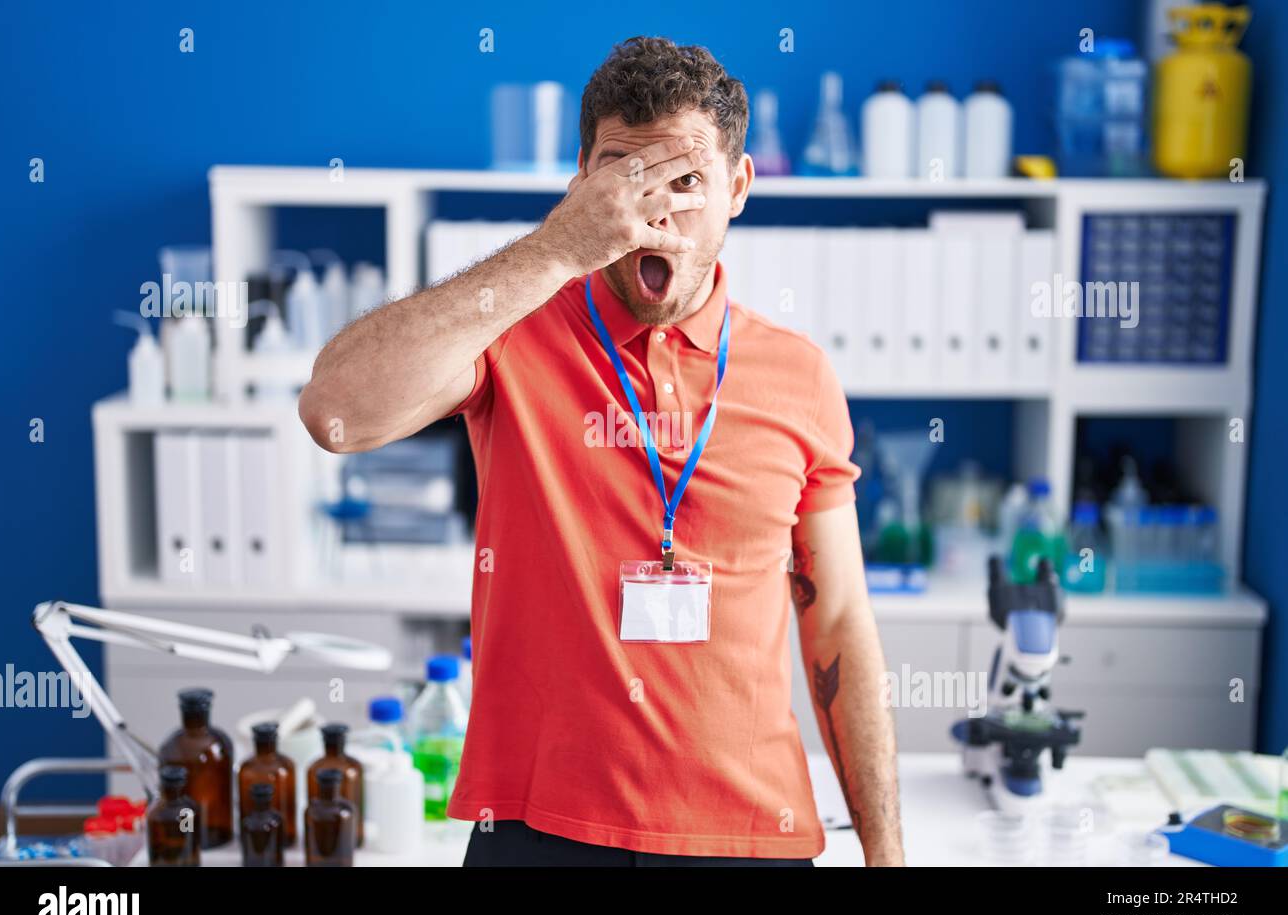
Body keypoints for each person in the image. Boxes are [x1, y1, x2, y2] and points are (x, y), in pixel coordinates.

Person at [300, 36, 903, 866]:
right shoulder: (510, 331)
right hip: (537, 831)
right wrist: (554, 249)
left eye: (685, 181)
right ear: (581, 183)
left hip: (751, 835)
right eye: (624, 177)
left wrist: (887, 852)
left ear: (738, 187)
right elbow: (335, 413)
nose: (653, 213)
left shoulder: (800, 375)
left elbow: (835, 619)